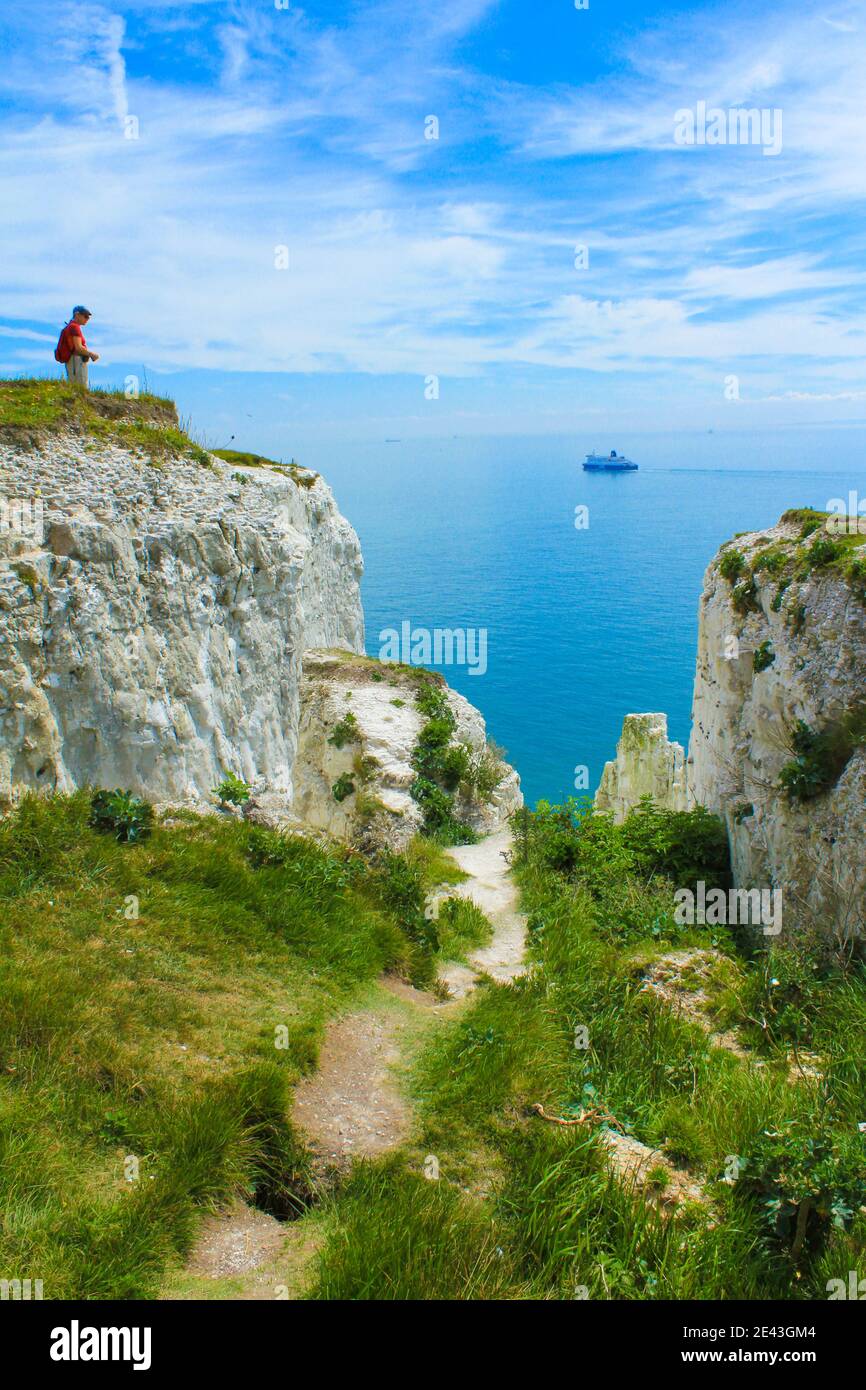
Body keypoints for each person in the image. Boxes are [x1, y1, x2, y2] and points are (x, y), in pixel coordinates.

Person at [55, 307, 99, 388]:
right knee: (81, 387)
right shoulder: (74, 327)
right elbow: (78, 348)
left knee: (73, 386)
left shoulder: (69, 327)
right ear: (77, 315)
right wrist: (92, 355)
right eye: (85, 316)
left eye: (88, 317)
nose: (87, 319)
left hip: (71, 361)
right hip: (77, 361)